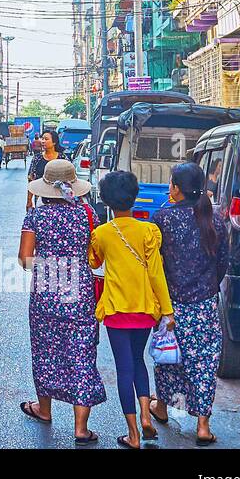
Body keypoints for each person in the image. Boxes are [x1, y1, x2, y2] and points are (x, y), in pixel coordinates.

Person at [18, 158, 106, 445]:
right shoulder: (88, 214)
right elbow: (95, 254)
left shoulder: (35, 217)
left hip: (45, 294)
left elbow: (25, 259)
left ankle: (44, 410)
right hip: (81, 292)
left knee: (45, 350)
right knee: (81, 354)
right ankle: (81, 428)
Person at [90, 171, 174, 449]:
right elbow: (156, 273)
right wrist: (167, 311)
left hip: (116, 309)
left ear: (106, 201)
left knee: (123, 368)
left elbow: (93, 262)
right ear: (134, 197)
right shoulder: (148, 231)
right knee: (139, 362)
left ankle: (133, 434)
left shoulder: (102, 233)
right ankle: (146, 417)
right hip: (145, 308)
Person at [148, 162, 229, 446]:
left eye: (171, 183)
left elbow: (154, 263)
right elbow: (222, 263)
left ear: (177, 189)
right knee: (204, 363)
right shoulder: (215, 218)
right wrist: (207, 288)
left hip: (171, 305)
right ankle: (203, 426)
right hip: (204, 305)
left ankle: (161, 408)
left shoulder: (162, 218)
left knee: (169, 358)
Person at [27, 129, 62, 210]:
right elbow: (31, 179)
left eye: (46, 139)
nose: (43, 141)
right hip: (40, 199)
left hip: (60, 200)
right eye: (42, 138)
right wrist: (29, 200)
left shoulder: (62, 158)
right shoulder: (37, 158)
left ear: (54, 142)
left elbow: (70, 180)